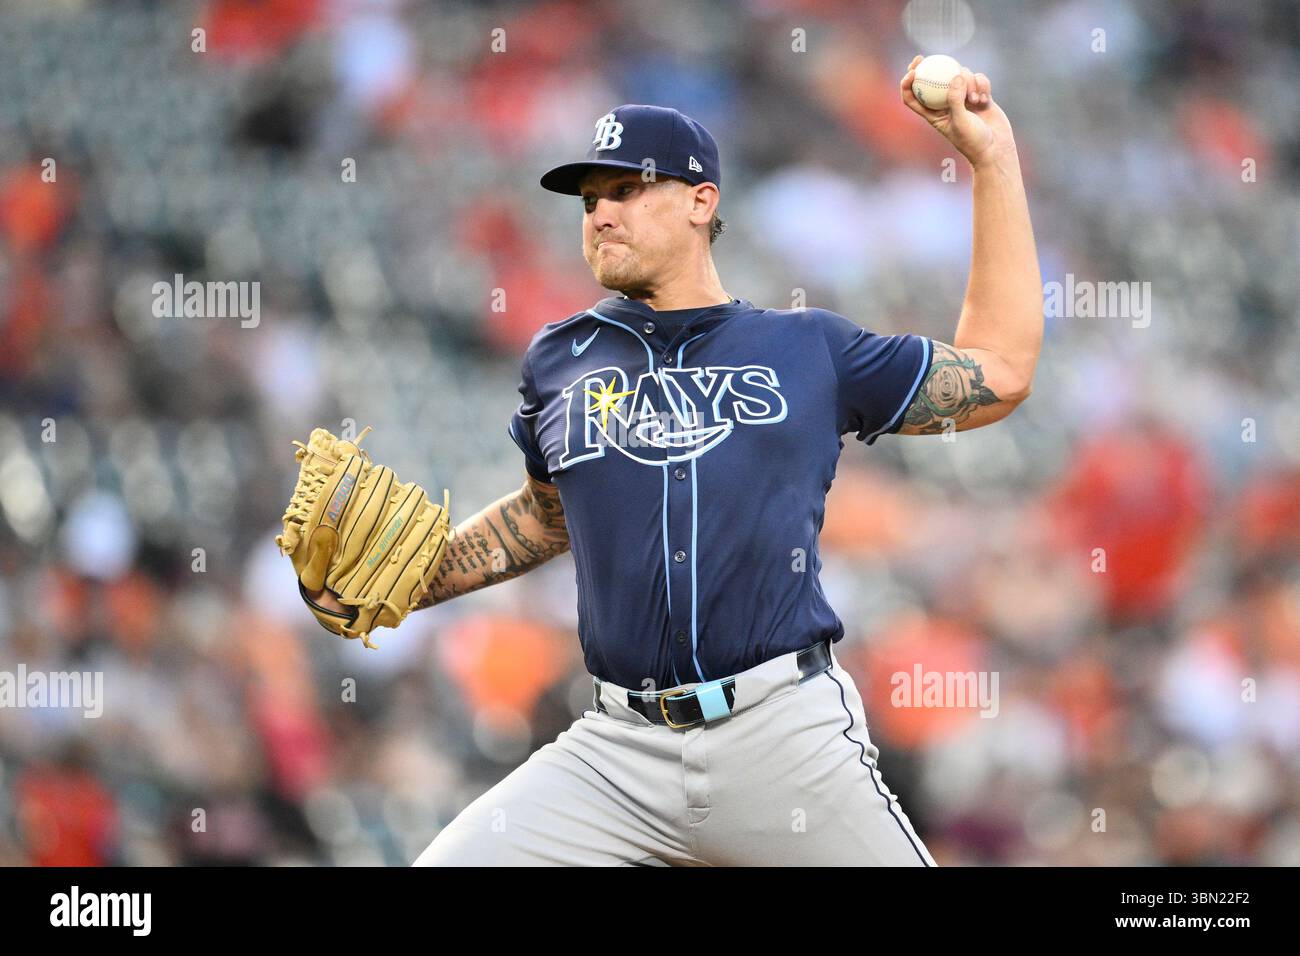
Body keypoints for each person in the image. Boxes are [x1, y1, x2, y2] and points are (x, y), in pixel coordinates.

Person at [315, 57, 1042, 865]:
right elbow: (548, 514)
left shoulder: (806, 349)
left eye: (628, 190)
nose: (600, 214)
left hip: (782, 736)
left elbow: (1000, 372)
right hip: (616, 754)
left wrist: (991, 160)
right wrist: (419, 578)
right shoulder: (561, 359)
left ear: (702, 202)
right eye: (590, 200)